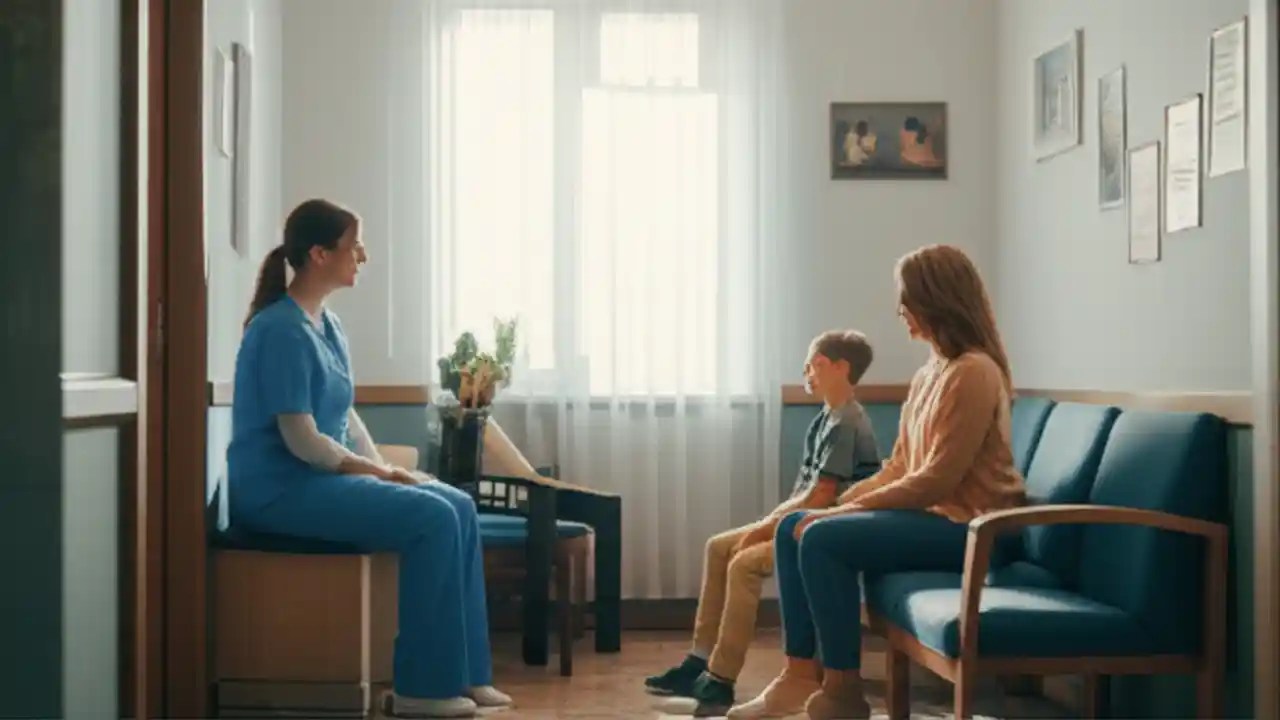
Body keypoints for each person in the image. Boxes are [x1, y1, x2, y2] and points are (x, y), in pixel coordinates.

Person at [226, 199, 511, 719]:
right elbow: (303, 441)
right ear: (318, 254)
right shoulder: (278, 331)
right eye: (353, 245)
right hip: (280, 491)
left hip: (319, 482)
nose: (363, 255)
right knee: (431, 515)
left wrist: (388, 467)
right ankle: (421, 690)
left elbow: (345, 415)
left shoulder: (327, 325)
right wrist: (384, 474)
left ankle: (467, 673)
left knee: (457, 505)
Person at [728, 244, 1026, 720]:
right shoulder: (932, 372)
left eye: (906, 297)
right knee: (795, 526)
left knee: (822, 538)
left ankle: (842, 693)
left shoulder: (974, 372)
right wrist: (844, 501)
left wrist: (841, 513)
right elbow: (900, 464)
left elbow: (933, 480)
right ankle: (798, 675)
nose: (899, 310)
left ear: (936, 298)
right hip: (937, 522)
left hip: (973, 531)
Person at [645, 330, 882, 717]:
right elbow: (804, 492)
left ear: (843, 369)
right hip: (800, 519)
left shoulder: (848, 423)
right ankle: (698, 660)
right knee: (718, 546)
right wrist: (767, 523)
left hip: (819, 531)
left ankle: (720, 678)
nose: (808, 372)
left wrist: (765, 528)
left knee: (745, 563)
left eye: (817, 364)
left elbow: (822, 496)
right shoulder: (825, 418)